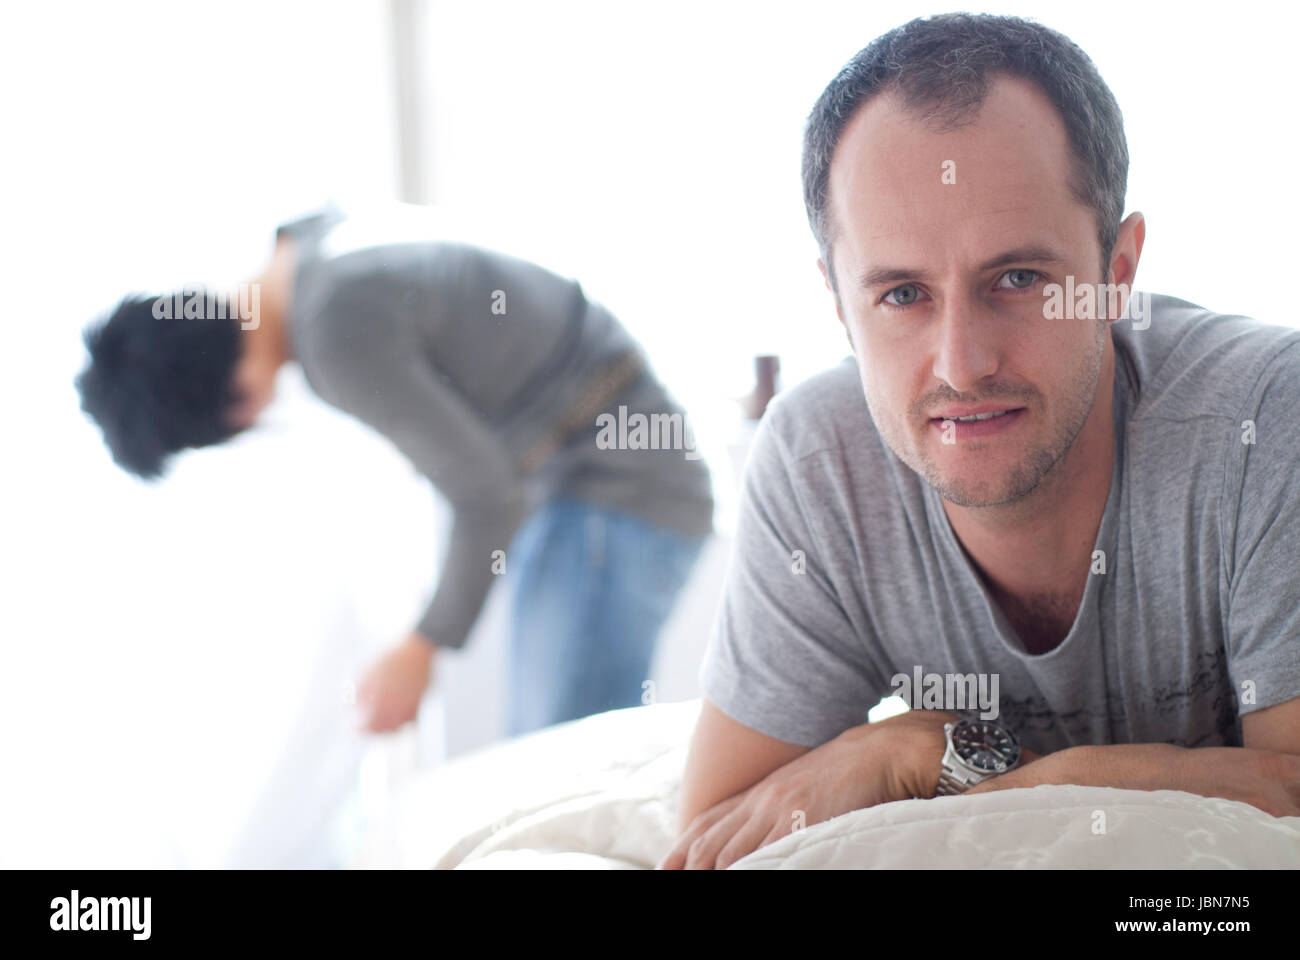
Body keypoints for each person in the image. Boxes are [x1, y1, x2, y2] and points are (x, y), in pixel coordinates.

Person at [661, 12, 1300, 870]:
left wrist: (957, 763)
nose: (962, 364)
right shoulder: (822, 461)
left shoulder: (1264, 420)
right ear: (839, 305)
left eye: (1019, 278)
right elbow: (714, 837)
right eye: (900, 295)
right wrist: (904, 749)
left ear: (1117, 272)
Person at [76, 204, 713, 738]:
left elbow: (486, 494)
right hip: (608, 480)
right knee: (553, 781)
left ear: (230, 402)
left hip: (616, 489)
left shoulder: (329, 330)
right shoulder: (304, 244)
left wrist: (420, 650)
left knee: (564, 784)